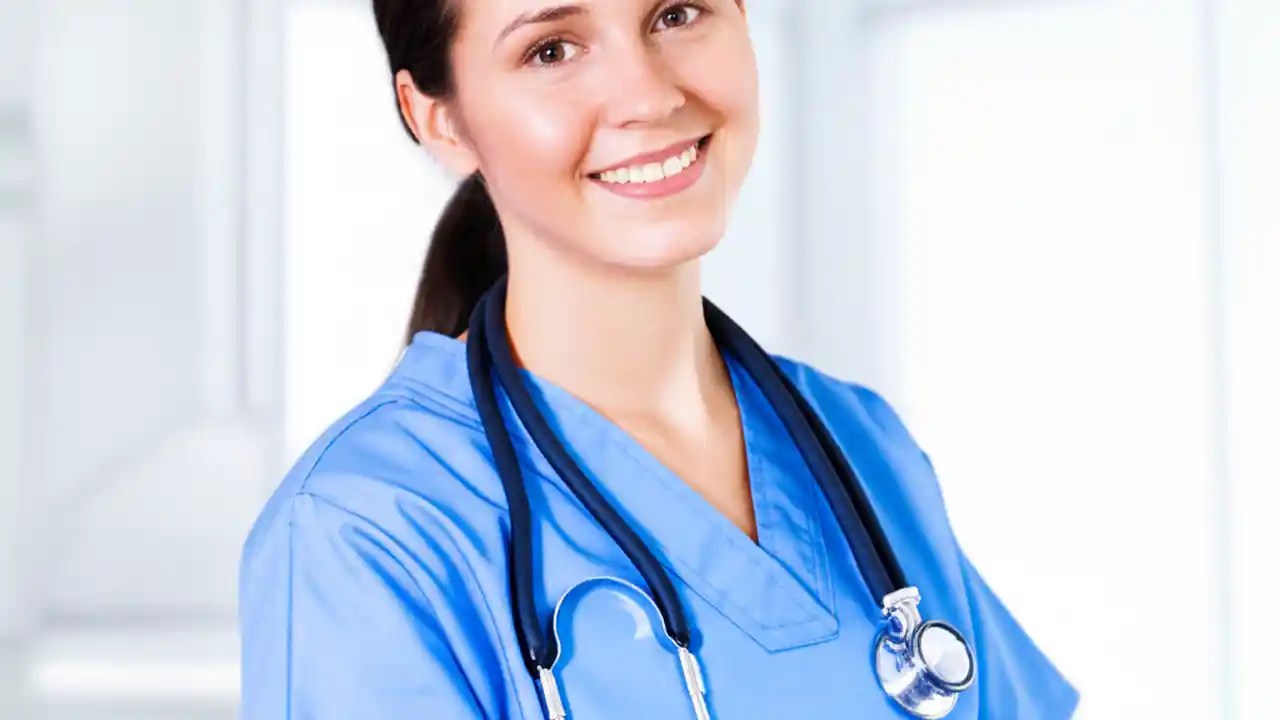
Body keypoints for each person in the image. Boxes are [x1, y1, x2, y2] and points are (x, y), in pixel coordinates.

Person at [238, 1, 1079, 717]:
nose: (647, 94)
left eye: (676, 13)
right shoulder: (366, 530)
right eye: (552, 49)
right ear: (438, 116)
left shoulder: (860, 445)